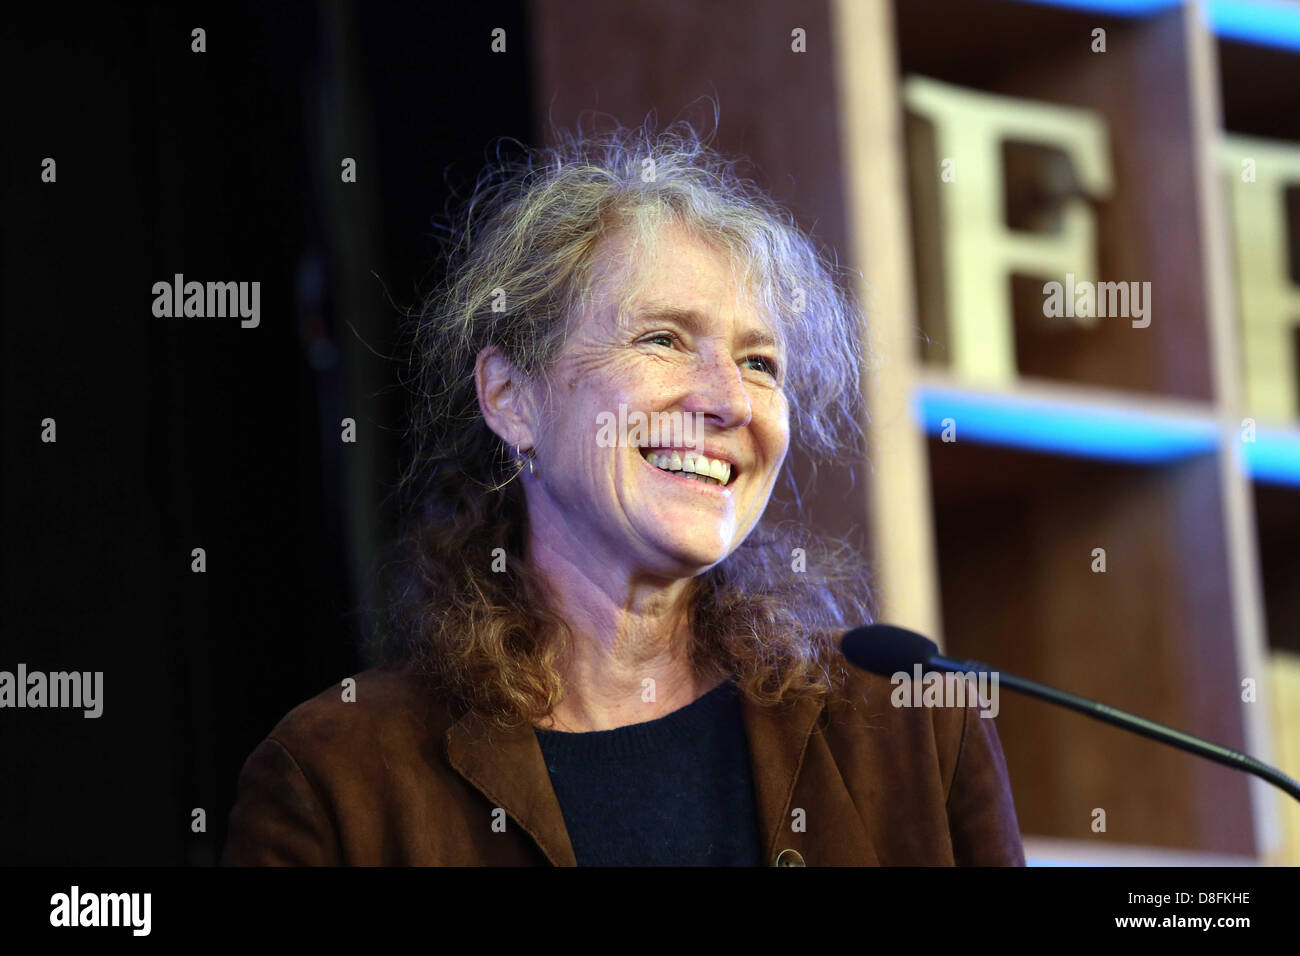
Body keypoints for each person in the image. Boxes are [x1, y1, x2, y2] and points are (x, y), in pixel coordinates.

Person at [221, 118, 1025, 866]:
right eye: (663, 339)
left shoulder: (916, 732)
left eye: (759, 363)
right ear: (511, 398)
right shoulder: (337, 779)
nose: (730, 401)